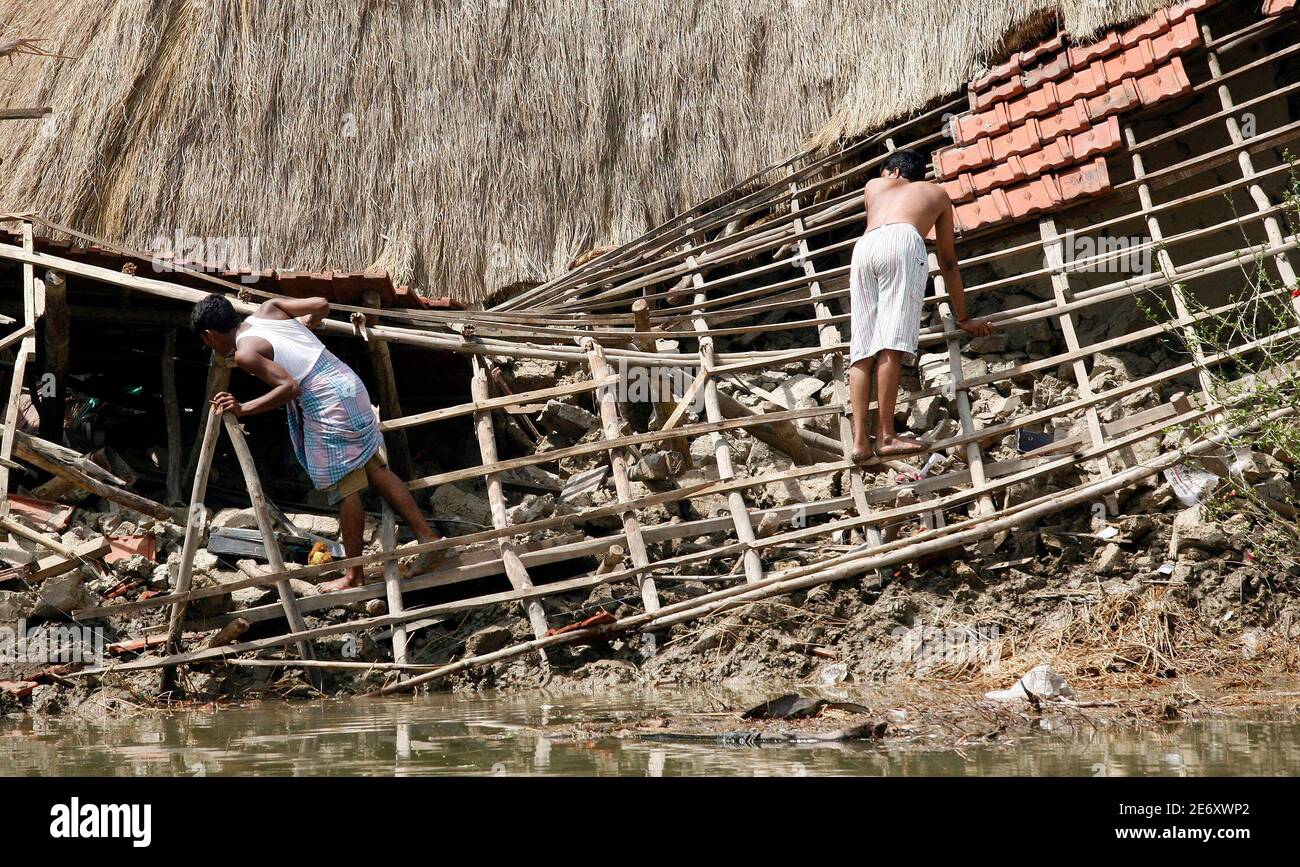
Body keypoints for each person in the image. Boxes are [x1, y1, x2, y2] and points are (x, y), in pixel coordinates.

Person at [190, 292, 444, 591]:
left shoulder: (246, 352)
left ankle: (354, 575)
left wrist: (244, 408)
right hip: (347, 382)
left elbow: (291, 387)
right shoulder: (268, 310)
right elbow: (321, 304)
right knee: (376, 470)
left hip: (326, 400)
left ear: (209, 335)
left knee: (344, 488)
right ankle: (429, 538)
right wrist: (308, 323)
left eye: (205, 342)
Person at [849, 148, 992, 460]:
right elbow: (948, 262)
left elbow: (880, 216)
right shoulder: (936, 194)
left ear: (894, 172)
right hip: (902, 241)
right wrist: (963, 315)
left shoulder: (873, 187)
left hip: (864, 247)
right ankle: (886, 436)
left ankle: (860, 442)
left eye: (887, 170)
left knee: (861, 349)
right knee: (891, 344)